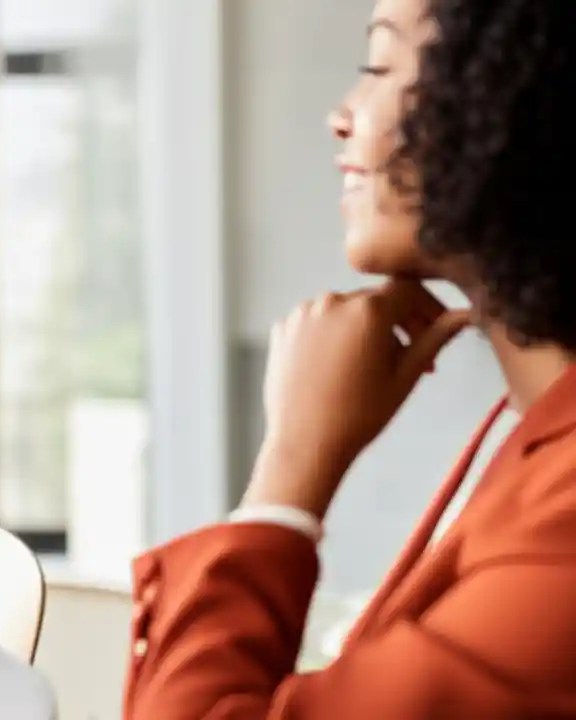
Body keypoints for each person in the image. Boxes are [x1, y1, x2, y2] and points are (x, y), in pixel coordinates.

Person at [124, 0, 576, 716]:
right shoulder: (528, 426)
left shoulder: (562, 532)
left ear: (519, 98)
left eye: (380, 65)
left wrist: (289, 474)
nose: (343, 115)